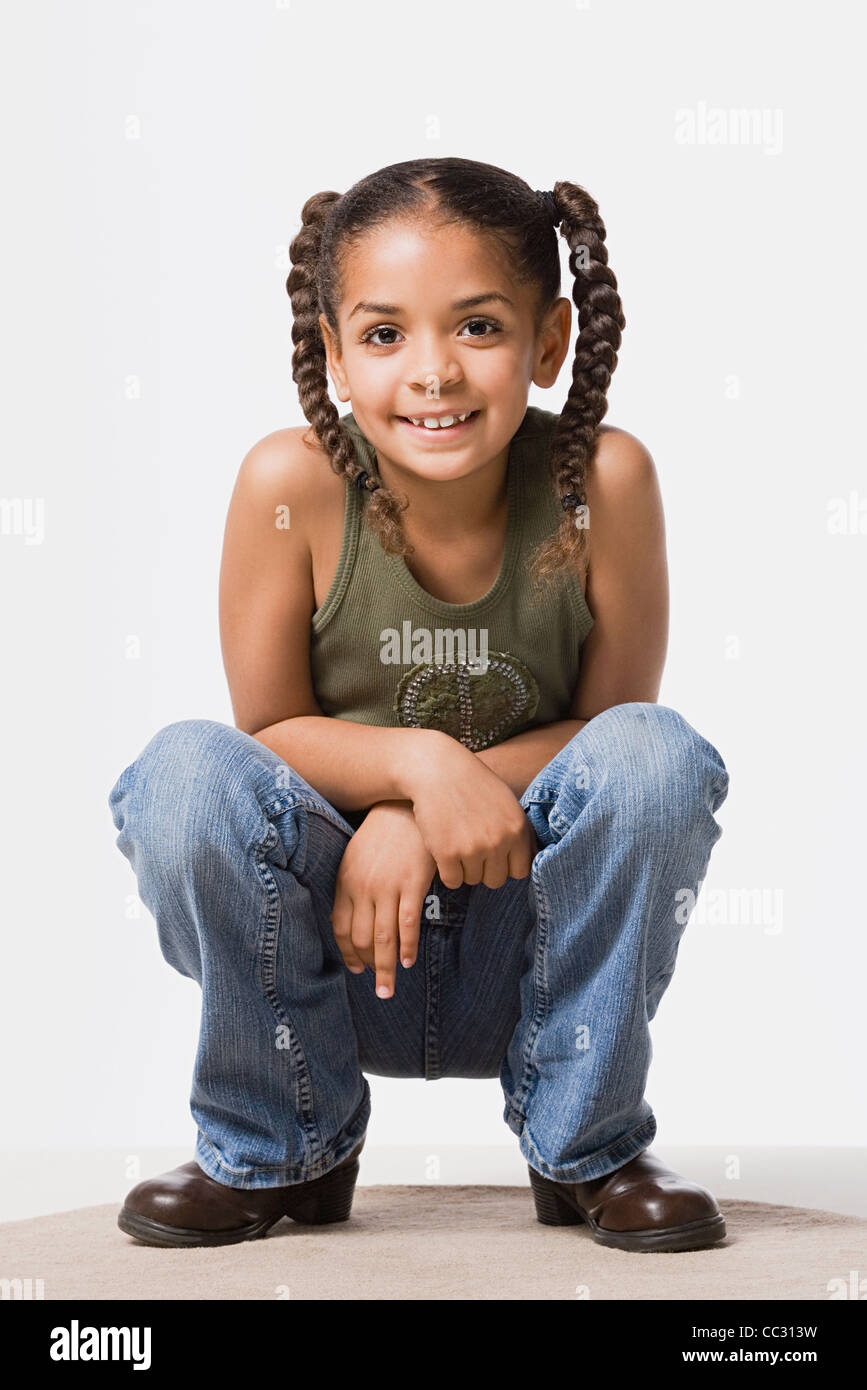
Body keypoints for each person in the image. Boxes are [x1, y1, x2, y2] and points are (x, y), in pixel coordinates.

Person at [108, 157, 730, 1253]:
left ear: (548, 343)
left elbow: (614, 739)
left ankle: (585, 1147)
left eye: (479, 328)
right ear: (334, 352)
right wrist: (411, 776)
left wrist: (431, 796)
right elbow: (268, 742)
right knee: (183, 773)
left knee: (659, 755)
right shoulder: (288, 487)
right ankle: (279, 1145)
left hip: (528, 939)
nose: (433, 371)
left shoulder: (604, 483)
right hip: (333, 951)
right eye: (386, 334)